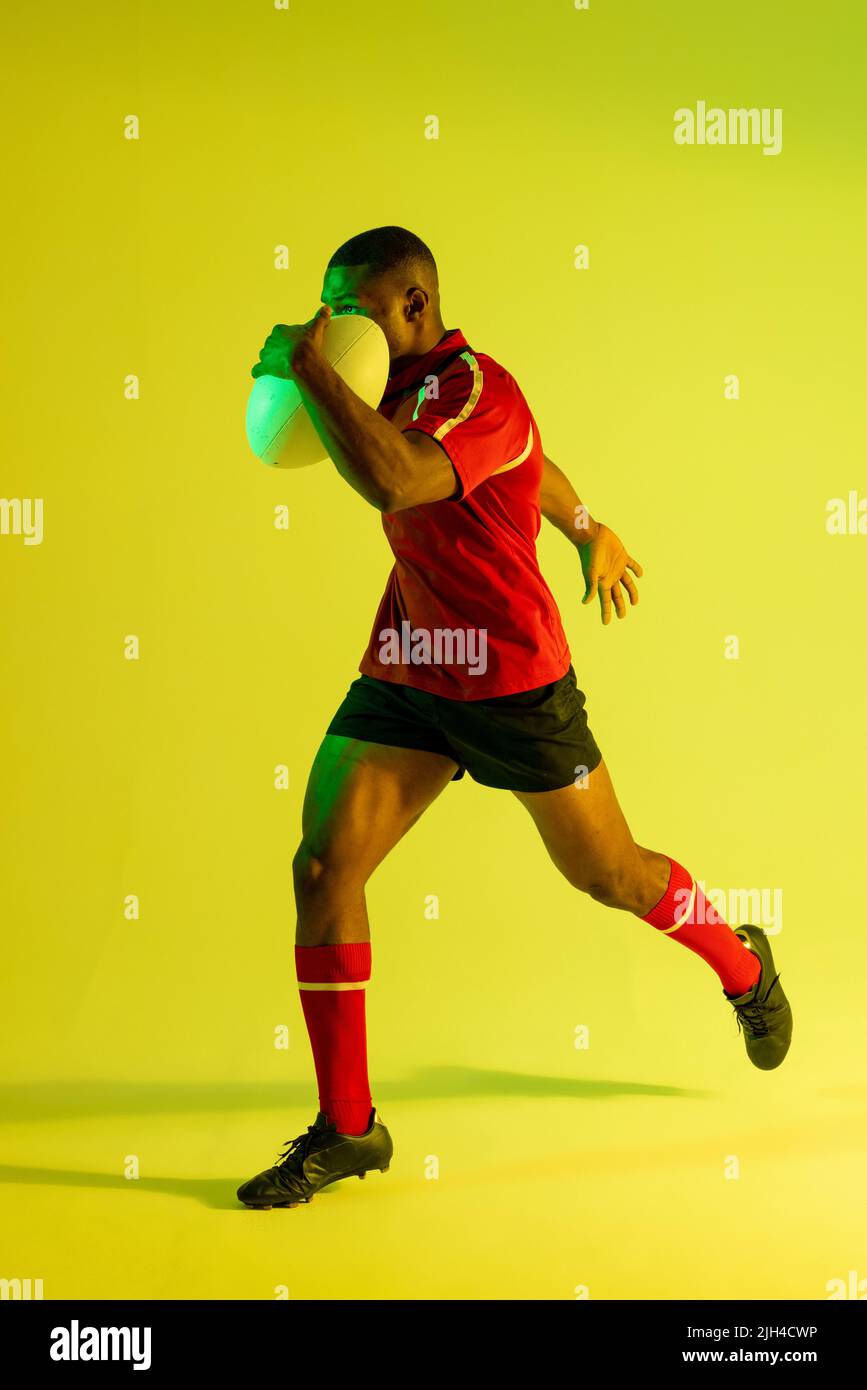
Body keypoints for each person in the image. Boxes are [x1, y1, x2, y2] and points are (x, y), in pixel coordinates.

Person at [237, 226, 792, 1210]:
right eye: (325, 309)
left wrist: (309, 368)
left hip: (509, 682)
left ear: (413, 308)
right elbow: (536, 467)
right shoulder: (385, 385)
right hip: (412, 661)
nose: (333, 327)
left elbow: (400, 477)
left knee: (611, 874)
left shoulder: (477, 388)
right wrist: (588, 528)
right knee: (323, 866)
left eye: (350, 309)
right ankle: (350, 1127)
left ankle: (742, 963)